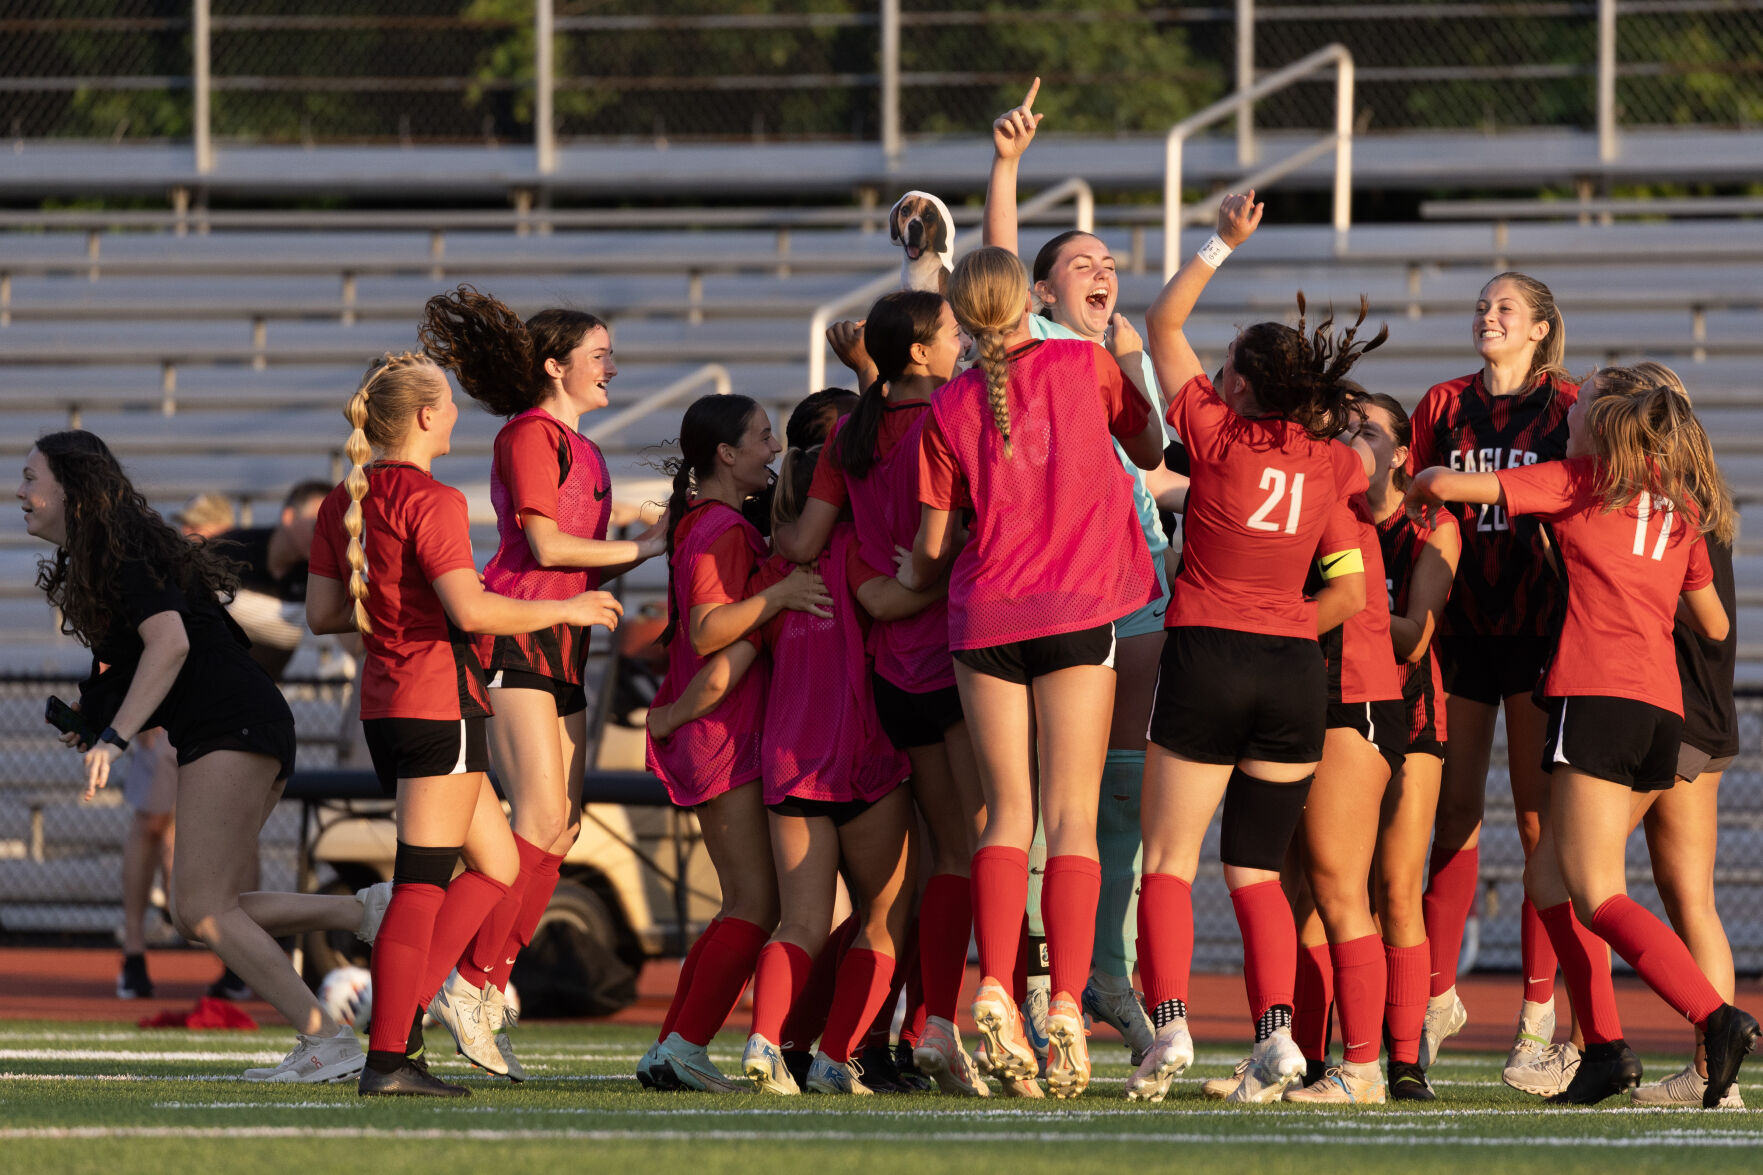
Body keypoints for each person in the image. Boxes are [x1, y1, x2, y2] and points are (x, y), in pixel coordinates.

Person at [1405, 363, 1759, 1108]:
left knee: (1596, 893)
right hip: (1660, 709)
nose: (1566, 414)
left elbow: (1447, 486)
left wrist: (1418, 479)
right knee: (1547, 882)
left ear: (1604, 430)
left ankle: (1716, 1017)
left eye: (1583, 407)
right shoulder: (1678, 506)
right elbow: (1716, 623)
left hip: (1595, 694)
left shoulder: (1579, 479)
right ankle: (1602, 1047)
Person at [305, 351, 623, 1097]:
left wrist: (392, 612)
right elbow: (472, 611)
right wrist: (567, 607)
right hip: (436, 702)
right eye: (446, 400)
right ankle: (388, 1055)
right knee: (420, 883)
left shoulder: (342, 500)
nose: (455, 412)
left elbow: (324, 614)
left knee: (498, 864)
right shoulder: (433, 498)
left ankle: (407, 1014)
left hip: (388, 704)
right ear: (422, 417)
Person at [20, 431, 376, 1085]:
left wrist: (116, 735)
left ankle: (328, 1038)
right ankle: (362, 914)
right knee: (199, 911)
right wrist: (93, 717)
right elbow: (139, 658)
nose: (20, 492)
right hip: (232, 722)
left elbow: (171, 643)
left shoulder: (121, 549)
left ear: (73, 487)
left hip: (232, 723)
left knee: (208, 910)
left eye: (30, 477)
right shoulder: (101, 555)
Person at [1130, 193, 1380, 1105]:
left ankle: (1170, 1026)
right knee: (1255, 868)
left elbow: (1162, 319)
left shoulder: (1214, 431)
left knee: (1167, 860)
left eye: (1228, 366)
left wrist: (1220, 241)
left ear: (1237, 384)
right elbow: (1344, 571)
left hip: (1208, 653)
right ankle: (1276, 1034)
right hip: (1289, 672)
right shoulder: (1332, 463)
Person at [898, 245, 1163, 1100]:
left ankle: (991, 988)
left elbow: (933, 550)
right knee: (1071, 820)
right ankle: (1060, 1003)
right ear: (1028, 301)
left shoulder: (947, 403)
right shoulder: (1084, 364)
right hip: (1080, 609)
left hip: (984, 617)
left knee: (1005, 817)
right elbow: (1150, 442)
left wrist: (892, 583)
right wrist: (1128, 357)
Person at [983, 77, 1188, 1066]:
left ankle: (1103, 968)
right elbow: (989, 275)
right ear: (1043, 290)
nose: (1099, 270)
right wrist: (1007, 168)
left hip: (1137, 571)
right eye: (1078, 262)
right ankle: (1032, 978)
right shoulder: (1042, 345)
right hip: (1060, 582)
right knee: (1035, 798)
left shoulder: (1121, 350)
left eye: (1106, 260)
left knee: (1119, 795)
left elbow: (1152, 456)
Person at [417, 286, 667, 1079]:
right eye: (599, 357)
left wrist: (643, 528)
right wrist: (646, 548)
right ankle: (467, 979)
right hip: (520, 637)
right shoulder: (531, 433)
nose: (612, 370)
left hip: (564, 650)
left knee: (561, 829)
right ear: (555, 367)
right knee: (539, 817)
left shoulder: (583, 446)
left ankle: (486, 979)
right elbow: (547, 547)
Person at [770, 292, 992, 1096]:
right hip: (957, 660)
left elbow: (798, 540)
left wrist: (869, 582)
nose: (963, 341)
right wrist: (920, 577)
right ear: (922, 353)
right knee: (963, 856)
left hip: (888, 671)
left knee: (914, 875)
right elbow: (958, 543)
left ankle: (850, 1038)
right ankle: (934, 1024)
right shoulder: (954, 418)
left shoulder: (850, 432)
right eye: (951, 334)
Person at [1406, 273, 1578, 1083]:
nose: (1487, 315)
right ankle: (1437, 996)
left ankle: (1537, 1012)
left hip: (1544, 631)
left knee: (1541, 824)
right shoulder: (1440, 405)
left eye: (1504, 307)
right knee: (1455, 813)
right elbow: (1415, 506)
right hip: (1462, 628)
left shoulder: (1569, 407)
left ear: (1540, 328)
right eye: (1481, 304)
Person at [639, 393, 833, 1093]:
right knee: (755, 903)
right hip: (720, 733)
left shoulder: (711, 521)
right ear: (724, 453)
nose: (771, 449)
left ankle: (669, 1044)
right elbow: (708, 630)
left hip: (715, 728)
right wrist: (779, 597)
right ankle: (686, 1044)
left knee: (739, 903)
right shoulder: (720, 526)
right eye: (760, 437)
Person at [730, 443, 927, 1095]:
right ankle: (836, 1054)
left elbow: (730, 655)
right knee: (885, 912)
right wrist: (931, 566)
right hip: (863, 754)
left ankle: (763, 1041)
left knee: (800, 921)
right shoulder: (853, 545)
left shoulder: (770, 564)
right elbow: (889, 602)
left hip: (789, 761)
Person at [1280, 393, 1405, 1106]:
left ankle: (1363, 1066)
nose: (1351, 436)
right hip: (1302, 691)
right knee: (1289, 890)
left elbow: (1348, 598)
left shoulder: (1340, 487)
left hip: (1349, 694)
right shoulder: (1309, 480)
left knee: (1336, 886)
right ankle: (1288, 1051)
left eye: (1366, 429)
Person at [1627, 362, 1743, 1109]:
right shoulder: (1704, 504)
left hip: (1671, 718)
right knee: (1690, 899)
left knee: (1577, 879)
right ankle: (1715, 1076)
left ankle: (1576, 1044)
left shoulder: (1654, 510)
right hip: (1708, 719)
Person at [1361, 393, 1461, 1100]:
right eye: (1340, 427)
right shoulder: (1324, 510)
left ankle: (1406, 1058)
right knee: (1328, 889)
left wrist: (1337, 598)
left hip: (1411, 710)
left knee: (1397, 884)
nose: (1347, 438)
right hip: (1335, 706)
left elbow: (1413, 634)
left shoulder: (1429, 524)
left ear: (1400, 454)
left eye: (1365, 430)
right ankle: (1322, 1052)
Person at [116, 492, 237, 1000]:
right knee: (151, 824)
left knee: (208, 836)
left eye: (199, 526)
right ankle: (134, 946)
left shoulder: (232, 573)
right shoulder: (164, 570)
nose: (190, 534)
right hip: (167, 721)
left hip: (217, 721)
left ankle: (229, 952)